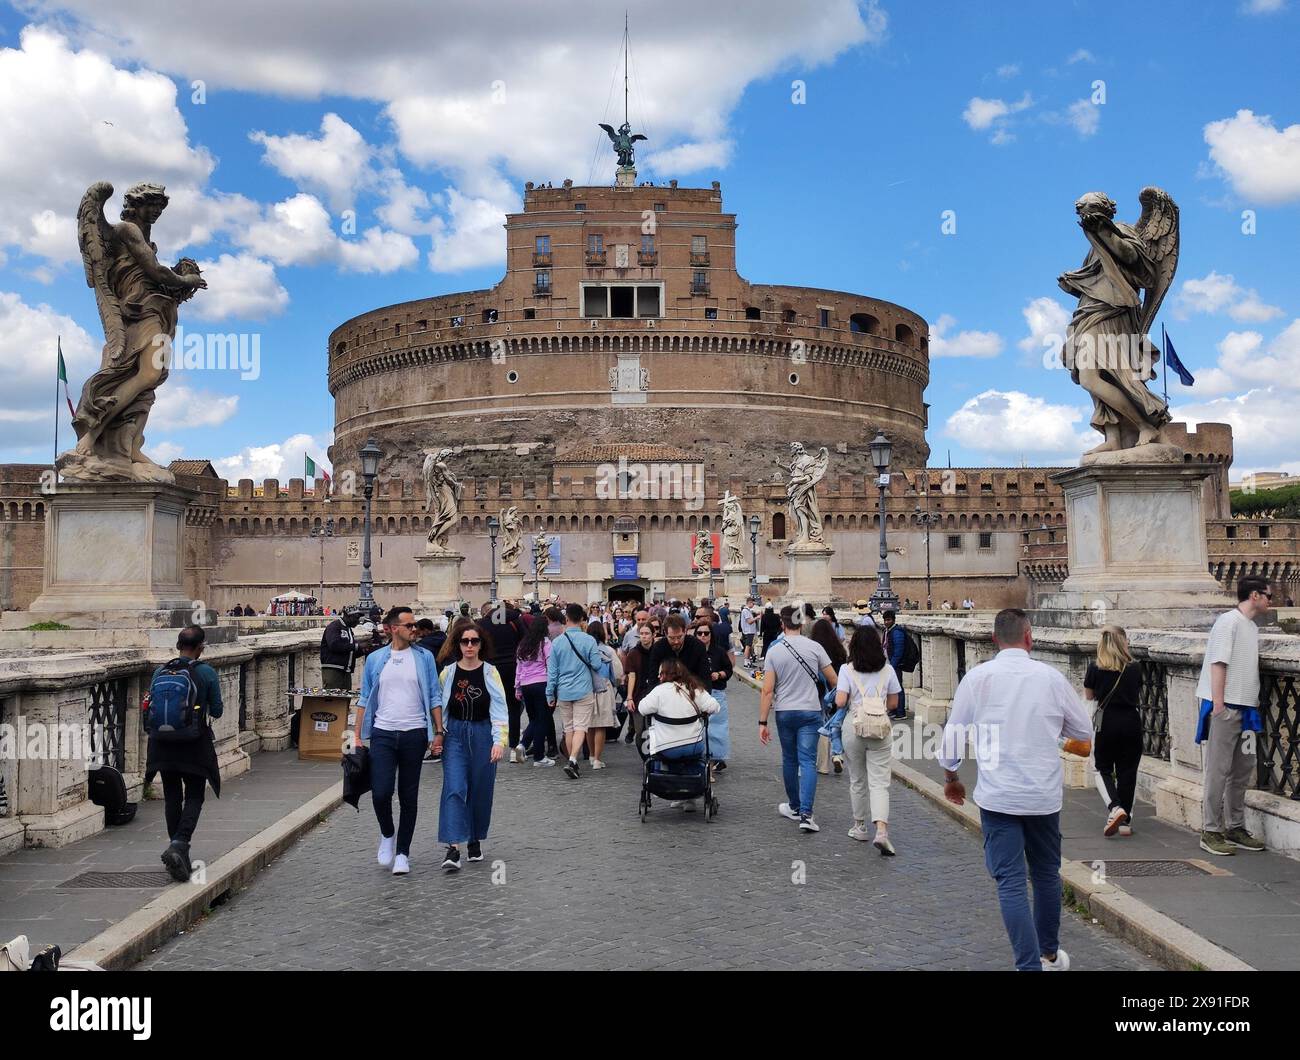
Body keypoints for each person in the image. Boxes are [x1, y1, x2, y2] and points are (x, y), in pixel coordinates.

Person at [939, 608, 1093, 971]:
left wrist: (951, 778)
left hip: (999, 797)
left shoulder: (977, 679)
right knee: (1045, 875)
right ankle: (1050, 954)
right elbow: (1084, 732)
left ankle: (1029, 966)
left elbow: (953, 737)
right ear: (1029, 637)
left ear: (994, 639)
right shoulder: (1051, 679)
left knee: (1010, 883)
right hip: (1042, 797)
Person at [357, 606, 443, 876]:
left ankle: (403, 853)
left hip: (414, 732)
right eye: (409, 625)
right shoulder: (375, 659)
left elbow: (434, 695)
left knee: (409, 795)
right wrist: (356, 735)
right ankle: (387, 833)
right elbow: (364, 697)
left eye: (415, 625)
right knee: (381, 792)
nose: (414, 629)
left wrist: (438, 731)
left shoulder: (425, 657)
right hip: (382, 731)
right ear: (394, 628)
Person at [1196, 576, 1270, 856]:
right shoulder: (1228, 622)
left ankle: (1236, 826)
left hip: (1248, 708)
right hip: (1226, 706)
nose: (1270, 600)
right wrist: (1218, 706)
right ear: (1254, 595)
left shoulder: (1250, 627)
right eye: (1268, 596)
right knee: (1218, 770)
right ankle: (1211, 830)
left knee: (1242, 770)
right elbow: (1218, 663)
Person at [147, 625, 224, 883]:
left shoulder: (160, 671)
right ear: (201, 647)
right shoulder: (205, 672)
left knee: (172, 797)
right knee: (194, 795)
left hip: (162, 744)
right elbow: (217, 711)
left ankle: (179, 850)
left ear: (178, 645)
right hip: (192, 743)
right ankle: (179, 844)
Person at [436, 618, 508, 872]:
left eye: (473, 641)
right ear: (457, 644)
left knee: (480, 790)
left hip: (482, 733)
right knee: (454, 788)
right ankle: (453, 847)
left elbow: (499, 707)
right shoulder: (448, 673)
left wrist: (499, 741)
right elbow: (440, 708)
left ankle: (475, 837)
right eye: (464, 641)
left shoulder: (490, 672)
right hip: (455, 734)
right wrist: (437, 735)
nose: (469, 646)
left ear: (480, 645)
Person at [758, 605, 838, 833]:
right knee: (807, 761)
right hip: (811, 711)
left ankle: (793, 806)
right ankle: (806, 814)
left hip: (785, 711)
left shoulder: (774, 651)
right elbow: (834, 680)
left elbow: (767, 690)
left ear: (782, 624)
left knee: (790, 760)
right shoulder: (815, 647)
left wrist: (762, 722)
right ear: (802, 623)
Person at [834, 622, 902, 855]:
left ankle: (860, 826)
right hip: (880, 728)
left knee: (857, 779)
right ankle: (881, 831)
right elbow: (894, 704)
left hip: (854, 727)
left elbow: (841, 701)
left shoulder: (847, 670)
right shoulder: (888, 669)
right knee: (880, 782)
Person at [1084, 625, 1144, 837]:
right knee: (1128, 771)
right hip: (1131, 722)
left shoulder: (1094, 668)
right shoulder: (1135, 668)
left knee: (1102, 767)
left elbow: (1089, 697)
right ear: (1123, 643)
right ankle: (1126, 821)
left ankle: (1114, 807)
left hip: (1106, 723)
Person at [637, 658, 720, 811]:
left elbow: (642, 708)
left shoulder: (659, 691)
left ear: (664, 674)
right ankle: (689, 797)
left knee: (669, 756)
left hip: (667, 747)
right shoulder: (694, 689)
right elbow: (715, 706)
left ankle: (672, 791)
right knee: (692, 760)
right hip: (692, 746)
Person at [546, 603, 611, 779]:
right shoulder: (589, 640)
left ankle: (571, 758)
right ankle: (573, 759)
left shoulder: (557, 642)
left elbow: (552, 672)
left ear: (566, 618)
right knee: (581, 727)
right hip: (584, 689)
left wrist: (550, 693)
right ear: (583, 619)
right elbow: (597, 665)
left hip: (564, 691)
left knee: (568, 728)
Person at [481, 602, 526, 762]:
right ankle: (514, 748)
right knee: (513, 707)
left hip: (490, 668)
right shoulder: (515, 621)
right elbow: (524, 641)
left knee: (489, 705)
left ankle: (489, 744)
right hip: (512, 667)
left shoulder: (483, 624)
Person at [693, 618, 734, 774]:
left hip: (716, 692)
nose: (703, 636)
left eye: (706, 633)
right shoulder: (692, 651)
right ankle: (699, 758)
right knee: (698, 728)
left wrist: (719, 674)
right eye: (700, 633)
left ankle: (713, 761)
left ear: (711, 635)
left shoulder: (718, 652)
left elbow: (728, 670)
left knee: (716, 729)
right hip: (697, 693)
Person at [514, 615, 555, 766]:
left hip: (525, 685)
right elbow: (551, 666)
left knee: (534, 719)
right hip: (541, 683)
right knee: (542, 719)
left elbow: (519, 668)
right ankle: (538, 756)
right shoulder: (545, 643)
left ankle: (522, 744)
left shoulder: (523, 644)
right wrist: (552, 688)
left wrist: (517, 687)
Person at [810, 617, 849, 772]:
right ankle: (837, 755)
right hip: (838, 690)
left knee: (822, 724)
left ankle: (823, 765)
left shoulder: (814, 649)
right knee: (835, 723)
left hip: (820, 691)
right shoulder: (839, 649)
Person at [642, 613, 712, 697]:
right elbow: (652, 677)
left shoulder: (697, 646)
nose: (676, 641)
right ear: (665, 633)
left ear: (685, 631)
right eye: (671, 638)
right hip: (666, 695)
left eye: (679, 637)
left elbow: (705, 677)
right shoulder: (658, 648)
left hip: (693, 694)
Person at [585, 620, 624, 768]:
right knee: (600, 725)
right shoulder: (608, 650)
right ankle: (597, 759)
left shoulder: (585, 649)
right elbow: (618, 672)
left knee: (589, 725)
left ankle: (590, 755)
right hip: (604, 687)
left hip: (587, 688)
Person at [622, 622, 656, 748]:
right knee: (640, 730)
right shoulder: (633, 653)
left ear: (653, 635)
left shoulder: (658, 651)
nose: (644, 636)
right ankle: (645, 757)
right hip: (638, 695)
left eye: (647, 633)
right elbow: (632, 675)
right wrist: (629, 697)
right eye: (641, 634)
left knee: (654, 729)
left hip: (655, 694)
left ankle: (654, 758)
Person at [319, 607, 363, 691]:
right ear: (347, 616)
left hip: (345, 671)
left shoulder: (348, 629)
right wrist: (356, 646)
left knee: (344, 700)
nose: (358, 621)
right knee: (333, 699)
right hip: (333, 670)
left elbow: (349, 651)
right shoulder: (334, 626)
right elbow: (334, 645)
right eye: (356, 618)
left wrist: (363, 650)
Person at [881, 610, 909, 720]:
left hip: (894, 665)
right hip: (888, 663)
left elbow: (899, 651)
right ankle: (893, 710)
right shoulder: (887, 631)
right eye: (885, 620)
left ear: (893, 620)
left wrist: (892, 665)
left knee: (897, 687)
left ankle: (901, 712)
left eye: (888, 620)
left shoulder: (897, 632)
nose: (886, 622)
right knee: (889, 688)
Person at [739, 597, 759, 669]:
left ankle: (748, 661)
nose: (753, 605)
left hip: (748, 631)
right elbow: (749, 621)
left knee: (749, 646)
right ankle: (746, 662)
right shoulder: (746, 611)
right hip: (749, 631)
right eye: (753, 603)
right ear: (749, 602)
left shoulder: (747, 610)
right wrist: (757, 618)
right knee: (748, 646)